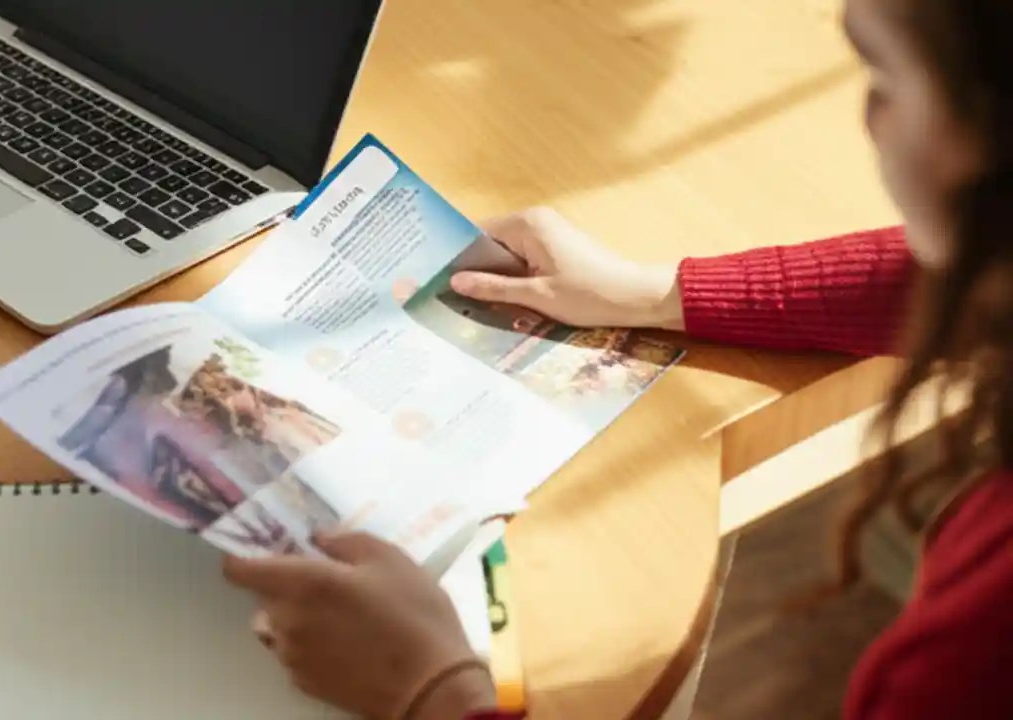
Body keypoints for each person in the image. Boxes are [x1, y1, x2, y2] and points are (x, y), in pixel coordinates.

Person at [223, 0, 1013, 717]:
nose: (870, 123)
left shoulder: (973, 646)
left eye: (882, 78)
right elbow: (975, 259)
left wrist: (427, 688)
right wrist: (653, 295)